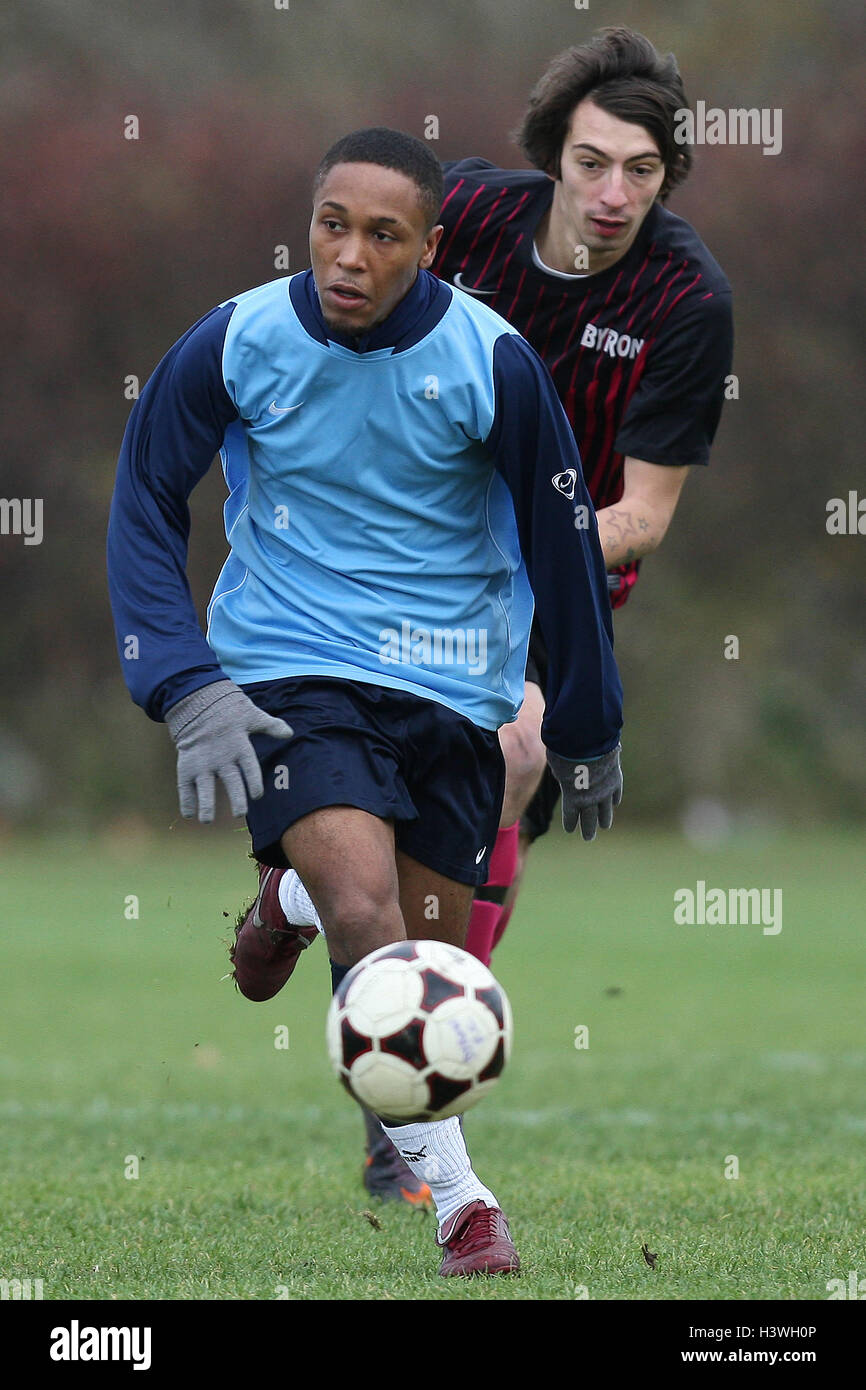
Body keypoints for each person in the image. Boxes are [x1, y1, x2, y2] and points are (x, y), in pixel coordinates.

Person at [107, 126, 623, 1277]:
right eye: (329, 225)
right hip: (292, 673)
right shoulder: (239, 339)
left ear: (429, 248)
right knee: (368, 924)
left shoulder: (489, 362)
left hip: (451, 688)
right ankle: (461, 1204)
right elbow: (145, 495)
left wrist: (587, 726)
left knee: (425, 967)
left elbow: (563, 538)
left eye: (380, 235)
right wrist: (186, 682)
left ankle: (280, 901)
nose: (345, 255)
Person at [275, 28, 735, 1199]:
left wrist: (526, 539)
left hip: (548, 583)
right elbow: (328, 319)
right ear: (553, 157)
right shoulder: (463, 215)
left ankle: (411, 1072)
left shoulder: (686, 299)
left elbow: (642, 513)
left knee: (514, 750)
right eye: (591, 162)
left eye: (640, 169)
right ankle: (305, 904)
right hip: (388, 562)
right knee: (358, 789)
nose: (612, 192)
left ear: (668, 178)